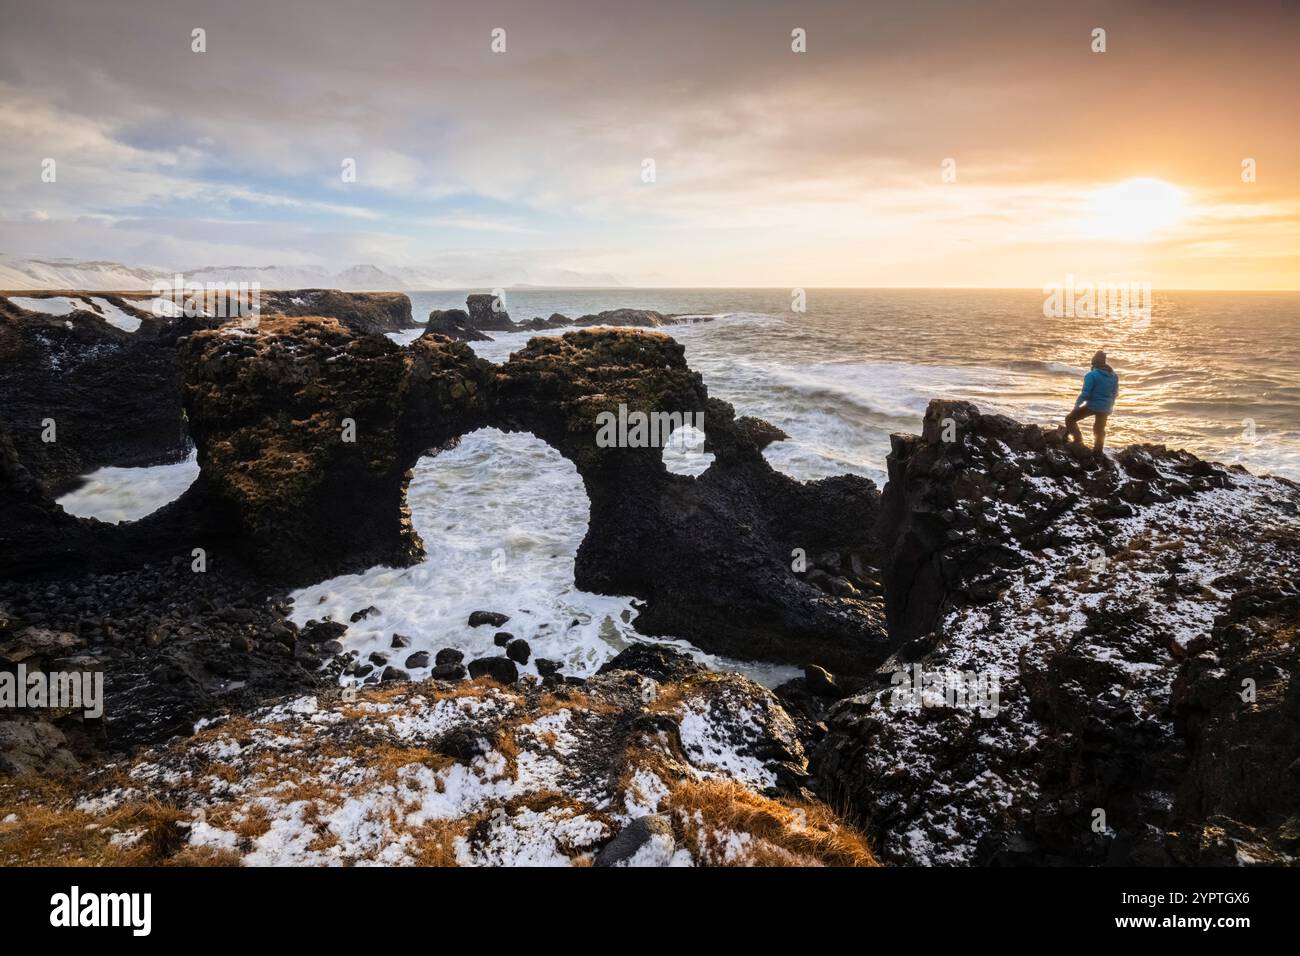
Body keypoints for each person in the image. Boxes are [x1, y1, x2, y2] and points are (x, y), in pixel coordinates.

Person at [1065, 350, 1118, 458]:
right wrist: (1110, 405)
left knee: (1070, 419)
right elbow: (1115, 393)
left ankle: (1078, 440)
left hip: (1093, 405)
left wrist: (1077, 405)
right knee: (1099, 429)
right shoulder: (1114, 375)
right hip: (1106, 407)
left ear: (1093, 363)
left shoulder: (1091, 375)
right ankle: (1098, 452)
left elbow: (1086, 394)